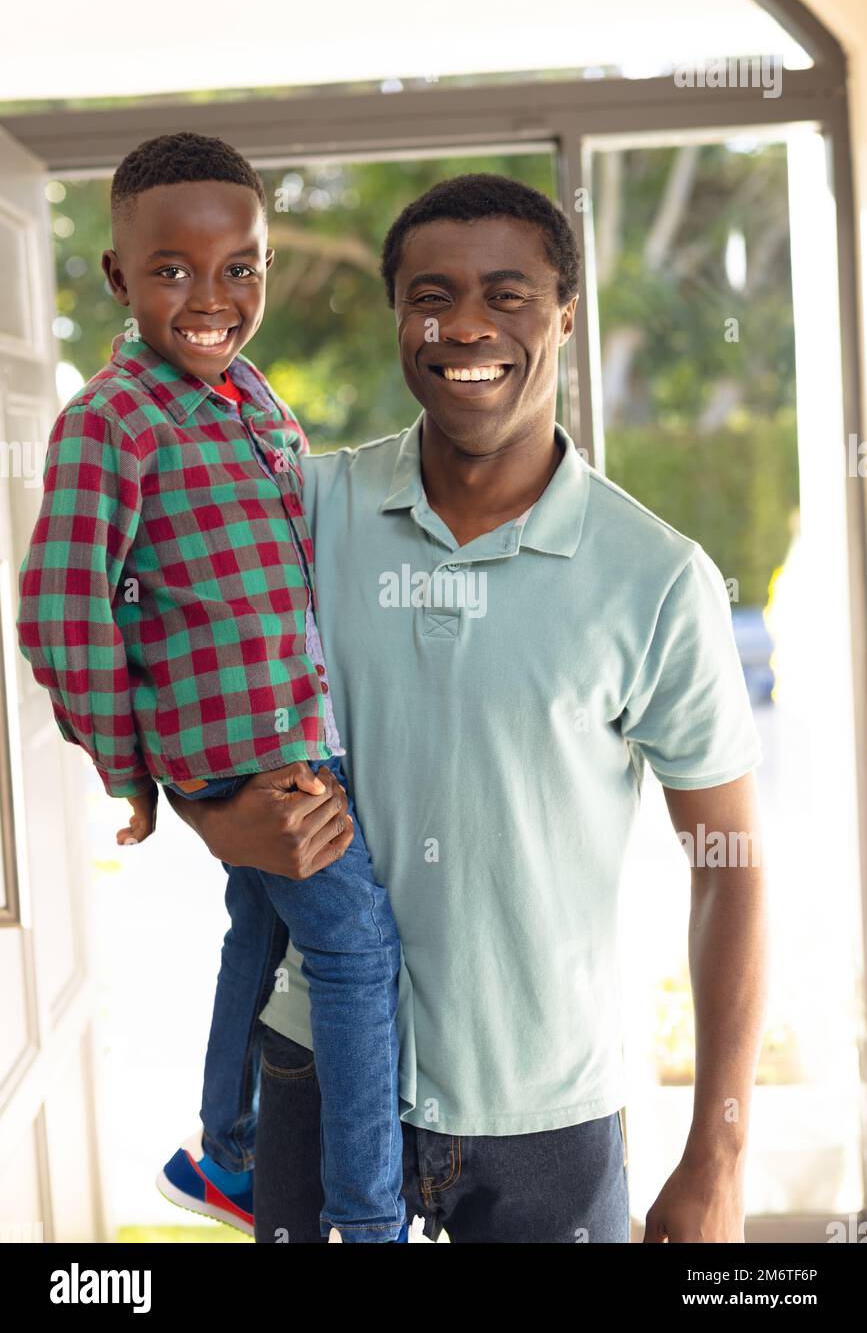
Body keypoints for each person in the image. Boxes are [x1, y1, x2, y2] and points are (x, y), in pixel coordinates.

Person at [171, 173, 767, 1244]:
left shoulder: (658, 577)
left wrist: (718, 1153)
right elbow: (174, 669)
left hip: (550, 1118)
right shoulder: (304, 512)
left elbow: (732, 862)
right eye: (431, 295)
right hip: (318, 1077)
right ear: (400, 315)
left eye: (510, 294)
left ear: (566, 316)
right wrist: (214, 818)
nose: (467, 327)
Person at [16, 131, 430, 1245]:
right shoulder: (110, 419)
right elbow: (59, 612)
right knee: (356, 952)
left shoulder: (251, 395)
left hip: (301, 726)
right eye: (172, 270)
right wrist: (136, 771)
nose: (211, 297)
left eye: (237, 267)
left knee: (257, 928)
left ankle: (229, 1153)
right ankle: (368, 1217)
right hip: (246, 747)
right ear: (117, 274)